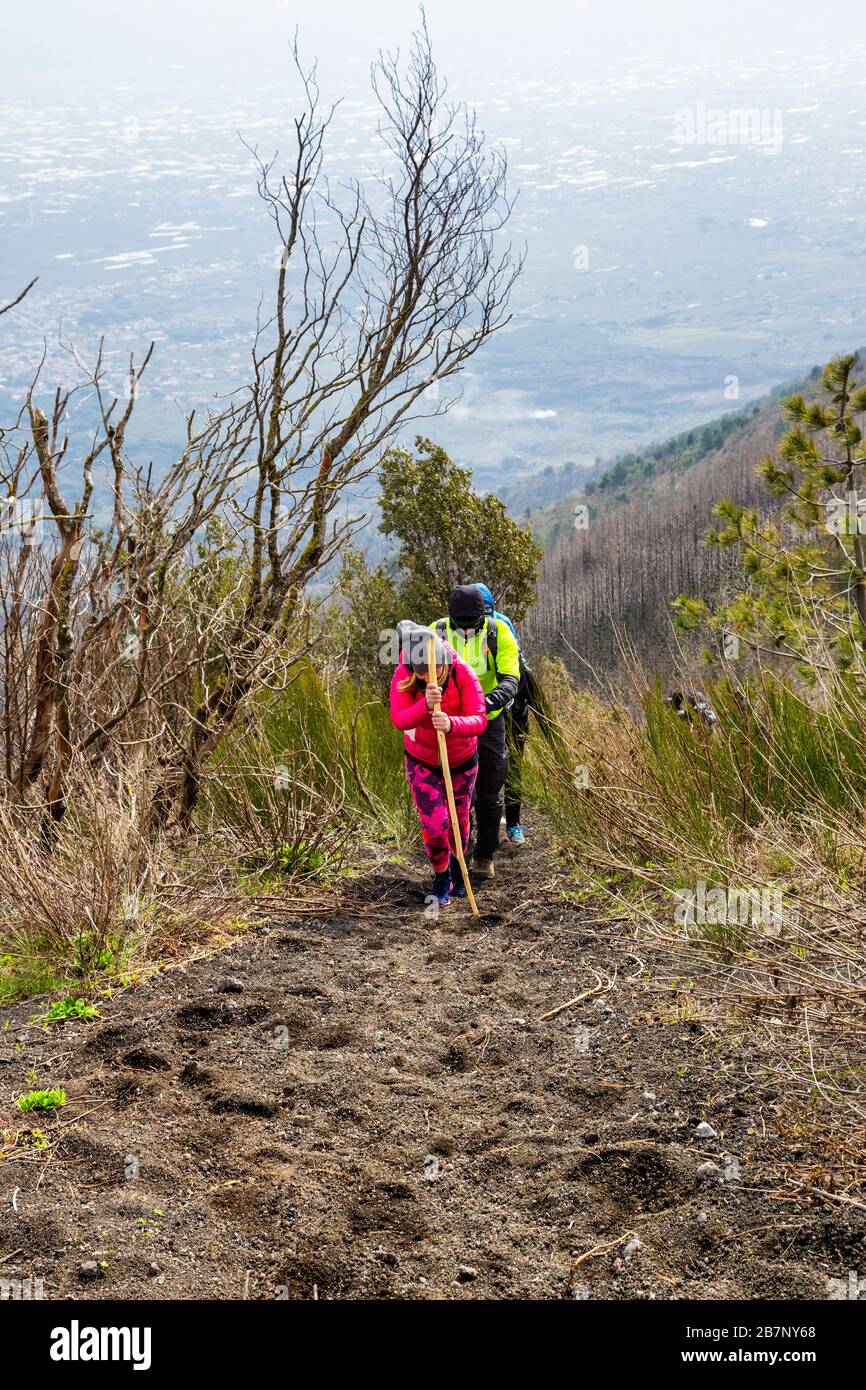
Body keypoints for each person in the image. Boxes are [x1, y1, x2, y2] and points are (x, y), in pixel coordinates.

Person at [389, 621, 488, 907]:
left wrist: (451, 723)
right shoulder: (404, 674)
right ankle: (441, 874)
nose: (421, 679)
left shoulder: (463, 673)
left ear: (443, 663)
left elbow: (480, 718)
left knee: (459, 820)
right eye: (416, 674)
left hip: (462, 760)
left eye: (427, 673)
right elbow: (399, 719)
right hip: (421, 760)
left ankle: (459, 869)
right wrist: (425, 705)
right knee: (435, 824)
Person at [432, 585, 520, 877]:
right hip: (451, 724)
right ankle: (459, 854)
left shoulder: (499, 633)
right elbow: (413, 674)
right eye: (462, 628)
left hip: (489, 720)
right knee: (454, 793)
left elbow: (511, 679)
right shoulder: (436, 634)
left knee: (488, 792)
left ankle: (485, 855)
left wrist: (487, 702)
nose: (467, 633)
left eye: (474, 627)